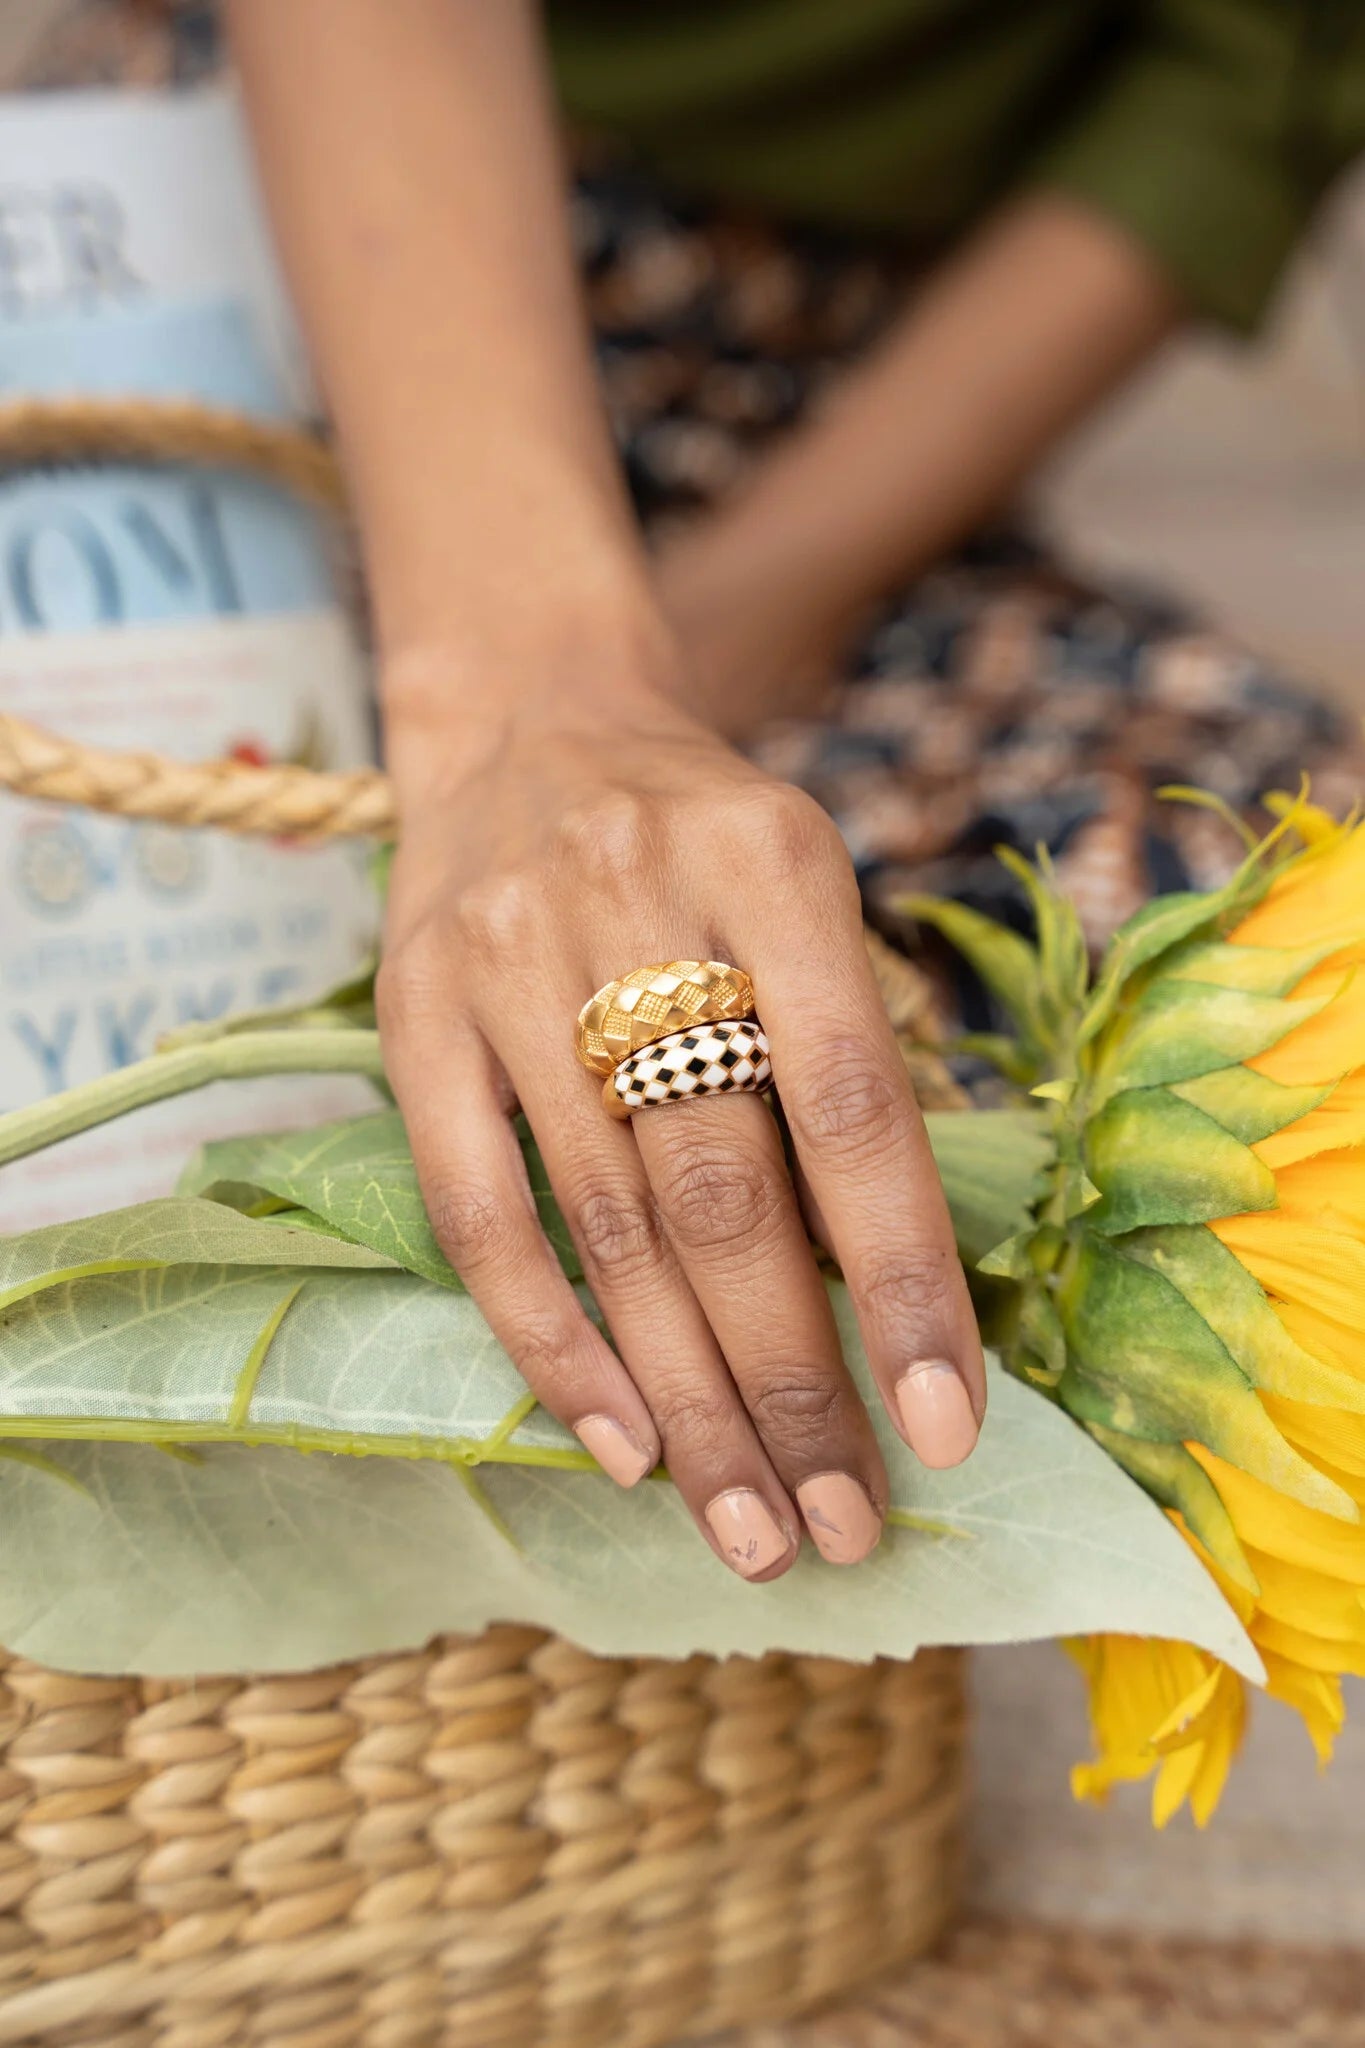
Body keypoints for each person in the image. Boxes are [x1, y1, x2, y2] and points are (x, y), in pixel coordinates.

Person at [222, 0, 1365, 1581]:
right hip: (347, 251)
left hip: (844, 392)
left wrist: (720, 630)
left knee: (1250, 939)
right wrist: (524, 693)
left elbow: (1256, 66)